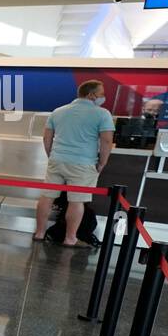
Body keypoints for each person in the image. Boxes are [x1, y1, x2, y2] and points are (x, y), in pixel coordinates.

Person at [33, 80, 114, 247]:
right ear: (91, 94)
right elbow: (106, 141)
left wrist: (51, 155)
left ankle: (39, 233)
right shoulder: (102, 114)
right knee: (76, 201)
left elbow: (47, 137)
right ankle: (70, 238)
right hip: (83, 164)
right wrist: (102, 163)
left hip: (57, 160)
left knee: (47, 197)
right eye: (101, 93)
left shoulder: (58, 111)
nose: (103, 97)